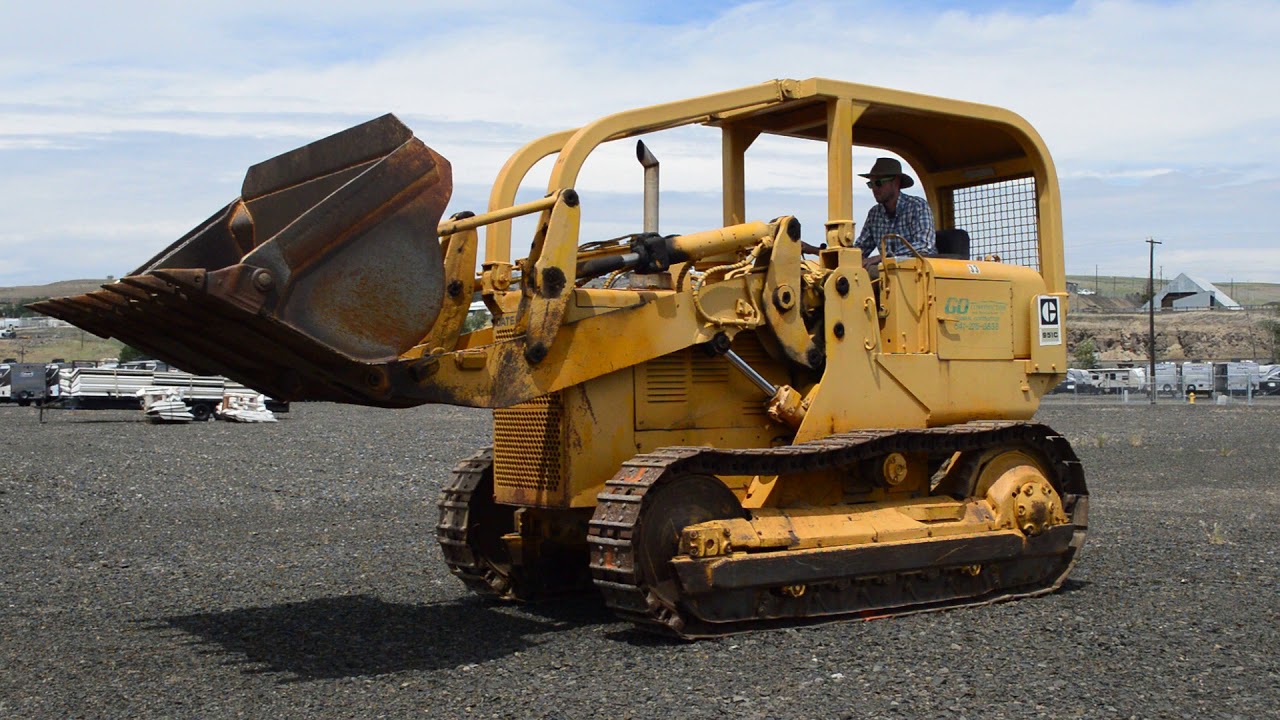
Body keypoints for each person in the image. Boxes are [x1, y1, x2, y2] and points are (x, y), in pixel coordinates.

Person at [855, 158, 935, 273]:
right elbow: (861, 248)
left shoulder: (917, 206)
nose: (874, 189)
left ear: (896, 182)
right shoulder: (874, 214)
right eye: (871, 184)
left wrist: (882, 258)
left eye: (878, 183)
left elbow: (924, 246)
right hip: (889, 275)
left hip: (919, 274)